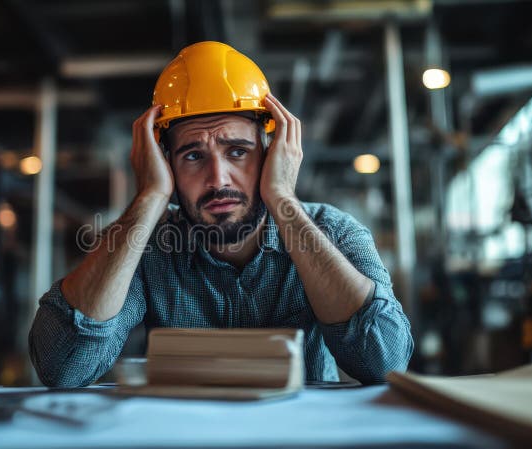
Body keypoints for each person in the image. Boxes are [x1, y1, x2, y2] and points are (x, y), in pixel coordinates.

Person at [29, 41, 413, 387]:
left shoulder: (335, 232)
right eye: (193, 156)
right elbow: (64, 367)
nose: (218, 179)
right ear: (166, 165)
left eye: (238, 152)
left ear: (272, 153)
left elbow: (385, 362)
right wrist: (149, 196)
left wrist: (281, 197)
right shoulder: (145, 248)